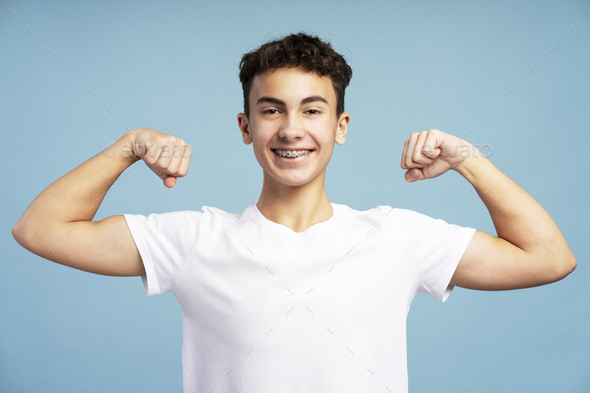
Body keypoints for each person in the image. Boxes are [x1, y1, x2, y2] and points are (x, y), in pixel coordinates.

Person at [12, 32, 576, 393]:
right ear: (246, 126)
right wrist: (129, 145)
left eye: (312, 110)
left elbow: (549, 259)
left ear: (340, 127)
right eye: (271, 109)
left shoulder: (396, 236)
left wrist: (468, 160)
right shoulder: (193, 240)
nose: (290, 129)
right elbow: (39, 229)